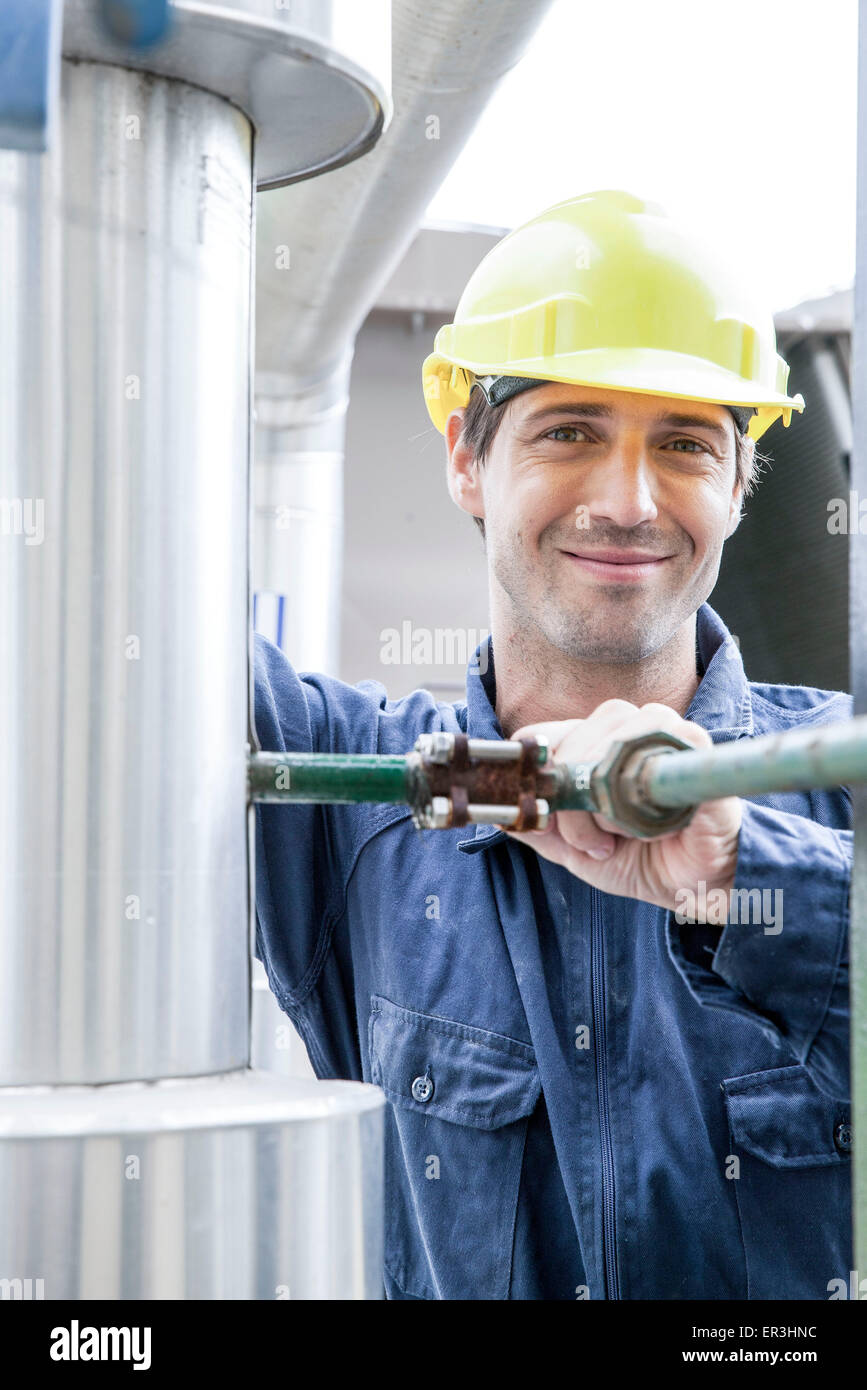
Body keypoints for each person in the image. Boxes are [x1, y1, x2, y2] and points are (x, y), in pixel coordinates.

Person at [253, 190, 852, 1300]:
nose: (627, 500)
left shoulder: (836, 780)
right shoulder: (354, 793)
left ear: (737, 483)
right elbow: (100, 589)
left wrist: (748, 875)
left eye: (683, 444)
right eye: (569, 430)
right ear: (467, 459)